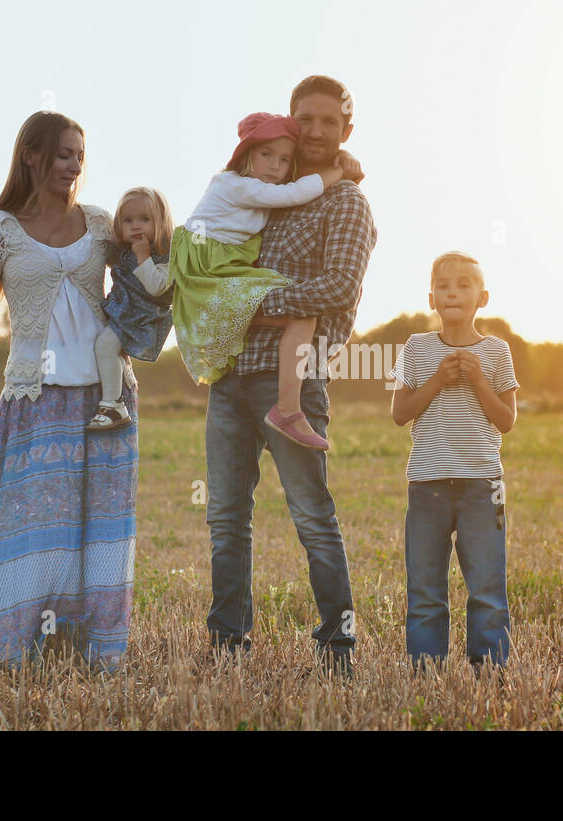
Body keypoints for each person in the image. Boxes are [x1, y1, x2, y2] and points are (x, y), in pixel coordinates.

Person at [0, 111, 155, 670]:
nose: (73, 166)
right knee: (26, 528)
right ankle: (15, 648)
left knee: (100, 533)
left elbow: (149, 279)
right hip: (34, 397)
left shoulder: (99, 225)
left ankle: (92, 653)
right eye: (63, 154)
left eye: (80, 157)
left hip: (106, 402)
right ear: (31, 156)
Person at [205, 76, 375, 677]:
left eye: (332, 122)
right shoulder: (265, 190)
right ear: (292, 122)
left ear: (346, 131)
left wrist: (255, 304)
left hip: (291, 382)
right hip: (230, 375)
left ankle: (338, 648)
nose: (318, 131)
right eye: (307, 119)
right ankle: (228, 645)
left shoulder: (347, 203)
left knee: (312, 515)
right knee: (226, 517)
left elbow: (338, 288)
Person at [170, 112, 358, 449]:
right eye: (266, 155)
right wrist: (339, 172)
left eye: (284, 159)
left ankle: (286, 407)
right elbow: (294, 194)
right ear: (245, 156)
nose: (275, 166)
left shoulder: (258, 188)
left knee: (301, 314)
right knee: (302, 313)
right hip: (209, 265)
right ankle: (287, 409)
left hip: (223, 264)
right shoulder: (234, 184)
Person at [388, 251, 519, 670]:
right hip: (427, 484)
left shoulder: (498, 351)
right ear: (431, 299)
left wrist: (478, 380)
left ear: (483, 297)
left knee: (487, 586)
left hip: (484, 486)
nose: (453, 292)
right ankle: (426, 672)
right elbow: (400, 412)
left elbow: (506, 420)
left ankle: (491, 672)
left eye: (464, 285)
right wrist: (438, 380)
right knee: (425, 588)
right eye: (443, 286)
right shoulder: (417, 348)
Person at [85, 187, 175, 431]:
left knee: (104, 346)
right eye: (128, 220)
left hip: (140, 318)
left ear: (161, 222)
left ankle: (112, 405)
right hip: (123, 312)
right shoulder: (124, 253)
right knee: (107, 350)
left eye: (145, 220)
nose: (136, 226)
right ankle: (113, 401)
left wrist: (144, 256)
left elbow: (157, 287)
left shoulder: (165, 258)